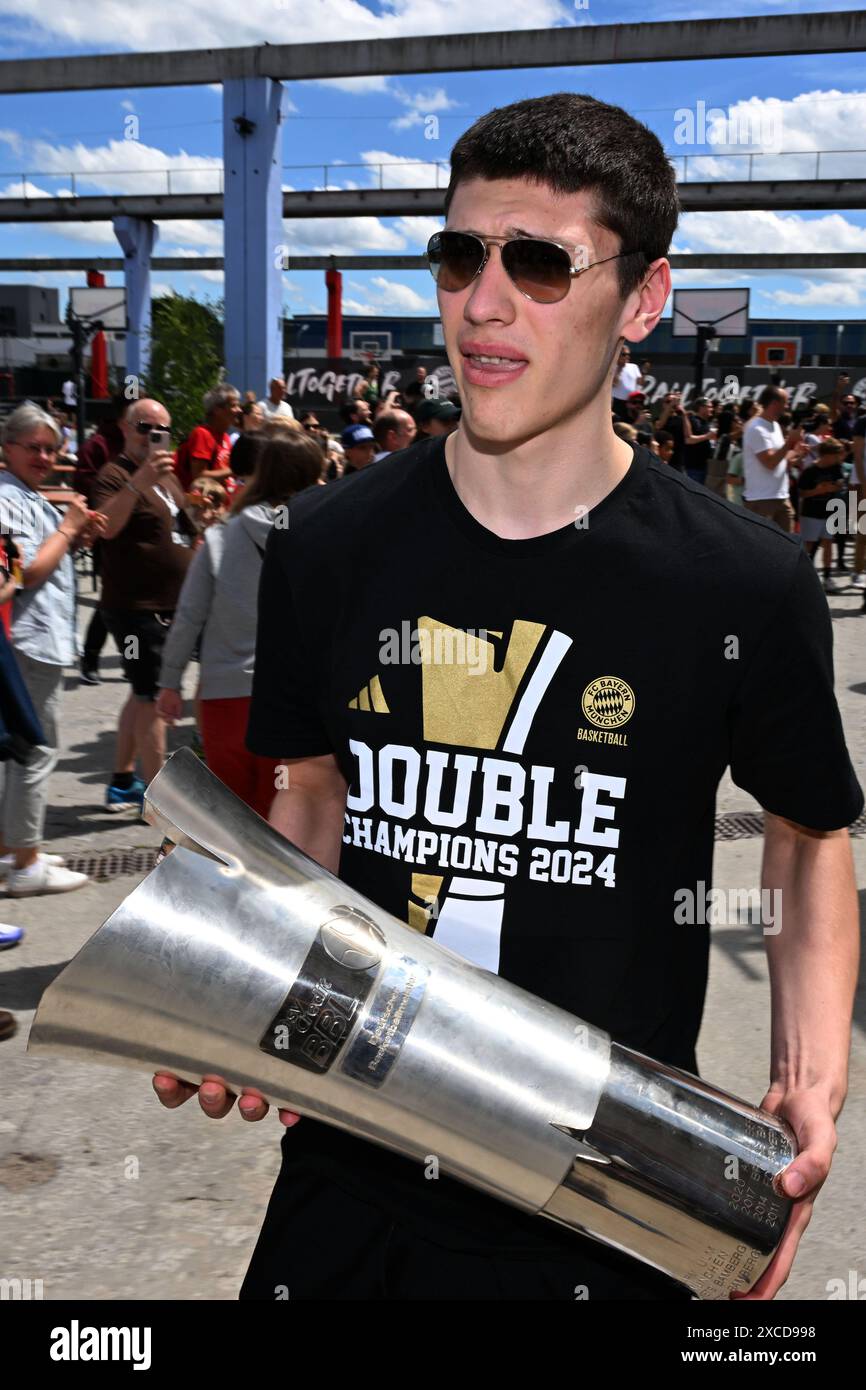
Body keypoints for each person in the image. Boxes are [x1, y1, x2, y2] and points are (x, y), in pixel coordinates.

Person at [154, 90, 862, 1305]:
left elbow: (805, 833)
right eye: (457, 253)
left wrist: (806, 1072)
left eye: (537, 262)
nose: (482, 301)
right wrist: (252, 980)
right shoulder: (324, 546)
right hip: (350, 1172)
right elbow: (310, 791)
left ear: (641, 299)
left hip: (608, 1191)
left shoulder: (739, 581)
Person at [155, 432, 322, 818]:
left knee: (231, 818)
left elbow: (189, 616)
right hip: (297, 701)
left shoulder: (219, 538)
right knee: (288, 817)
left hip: (225, 698)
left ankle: (233, 879)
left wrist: (169, 681)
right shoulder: (323, 538)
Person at [0, 403, 97, 895]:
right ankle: (26, 861)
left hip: (31, 639)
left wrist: (71, 533)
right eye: (32, 447)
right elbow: (25, 572)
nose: (42, 456)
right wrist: (67, 528)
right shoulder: (9, 497)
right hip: (30, 641)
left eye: (49, 448)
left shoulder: (20, 493)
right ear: (8, 447)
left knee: (17, 750)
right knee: (34, 751)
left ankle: (11, 849)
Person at [92, 398, 195, 811]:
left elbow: (185, 527)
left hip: (169, 605)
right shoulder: (115, 474)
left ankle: (122, 781)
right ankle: (159, 803)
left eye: (162, 429)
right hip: (135, 605)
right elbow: (107, 528)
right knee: (151, 697)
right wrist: (139, 482)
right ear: (123, 427)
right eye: (143, 425)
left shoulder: (167, 475)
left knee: (140, 694)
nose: (152, 434)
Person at [74, 394, 130, 685]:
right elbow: (82, 483)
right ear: (123, 419)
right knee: (111, 598)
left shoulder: (142, 447)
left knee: (132, 601)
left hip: (141, 534)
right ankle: (90, 658)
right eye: (139, 422)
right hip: (108, 532)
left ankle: (133, 660)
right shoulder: (97, 446)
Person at [741, 385, 802, 533]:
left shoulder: (774, 426)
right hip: (761, 500)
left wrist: (797, 452)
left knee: (787, 548)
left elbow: (779, 459)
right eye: (785, 402)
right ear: (775, 404)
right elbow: (769, 463)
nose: (787, 407)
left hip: (782, 497)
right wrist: (789, 443)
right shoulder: (756, 429)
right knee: (761, 551)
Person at [798, 439, 847, 593]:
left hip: (830, 511)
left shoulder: (836, 468)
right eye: (836, 455)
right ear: (826, 455)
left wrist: (837, 486)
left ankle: (827, 578)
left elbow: (840, 482)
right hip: (811, 512)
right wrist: (817, 491)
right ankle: (805, 577)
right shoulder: (810, 471)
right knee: (809, 546)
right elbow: (801, 493)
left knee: (828, 544)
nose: (839, 458)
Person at [173, 386, 241, 490]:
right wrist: (236, 470)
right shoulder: (202, 434)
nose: (239, 410)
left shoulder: (225, 437)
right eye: (234, 406)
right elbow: (199, 477)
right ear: (217, 410)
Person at [682, 396, 714, 486]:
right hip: (694, 468)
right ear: (701, 408)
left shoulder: (706, 422)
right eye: (709, 407)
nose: (712, 409)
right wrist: (707, 436)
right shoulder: (693, 420)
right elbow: (688, 440)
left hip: (705, 467)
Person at [610, 345, 644, 421]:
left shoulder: (633, 366)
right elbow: (614, 383)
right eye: (624, 354)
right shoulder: (611, 367)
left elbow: (639, 383)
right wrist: (619, 368)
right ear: (617, 355)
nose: (627, 356)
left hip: (632, 402)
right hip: (617, 403)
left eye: (628, 354)